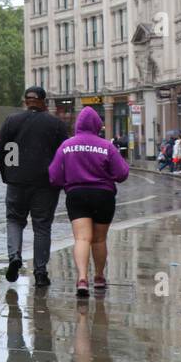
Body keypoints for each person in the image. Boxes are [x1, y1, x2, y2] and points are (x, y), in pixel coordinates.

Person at [49, 106, 130, 298]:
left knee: (82, 238)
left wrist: (66, 183)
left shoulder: (67, 145)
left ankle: (82, 279)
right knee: (99, 239)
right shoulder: (106, 146)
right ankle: (100, 277)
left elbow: (53, 175)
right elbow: (122, 173)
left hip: (76, 195)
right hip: (103, 196)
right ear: (97, 125)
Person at [0, 86, 70, 287]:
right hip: (46, 184)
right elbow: (65, 155)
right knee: (42, 226)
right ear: (44, 101)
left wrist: (7, 175)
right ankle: (40, 272)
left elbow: (0, 150)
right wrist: (61, 180)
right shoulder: (56, 124)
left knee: (14, 220)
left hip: (16, 181)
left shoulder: (12, 121)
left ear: (26, 101)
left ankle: (14, 257)